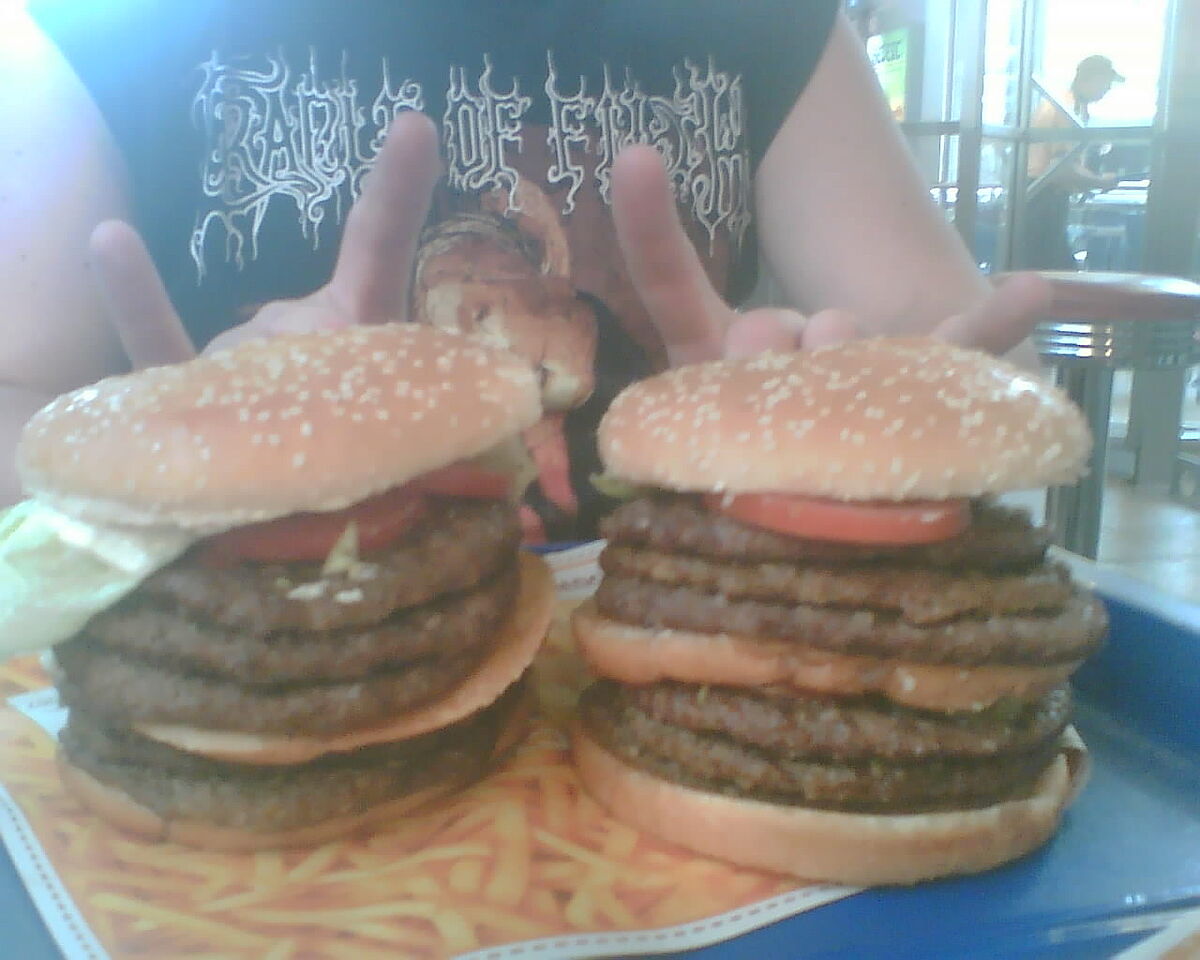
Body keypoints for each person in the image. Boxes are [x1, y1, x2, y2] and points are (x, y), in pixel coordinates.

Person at [0, 1, 1049, 536]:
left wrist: (838, 398)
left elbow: (964, 351)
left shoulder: (772, 22)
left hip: (693, 660)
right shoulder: (98, 28)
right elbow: (17, 400)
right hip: (250, 647)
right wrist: (177, 437)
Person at [1018, 54, 1124, 270]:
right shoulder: (1065, 110)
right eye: (1105, 83)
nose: (1107, 90)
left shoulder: (1073, 107)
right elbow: (1060, 169)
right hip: (1041, 196)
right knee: (1051, 269)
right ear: (1091, 78)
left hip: (1045, 195)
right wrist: (1099, 181)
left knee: (1050, 266)